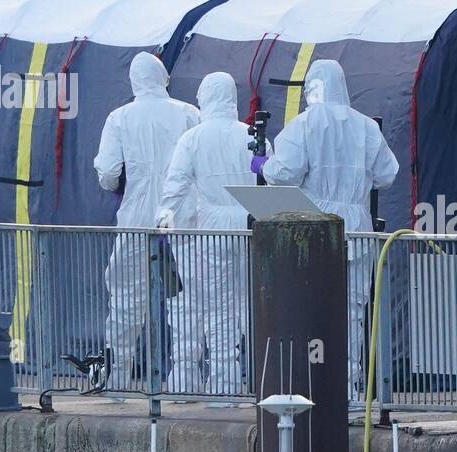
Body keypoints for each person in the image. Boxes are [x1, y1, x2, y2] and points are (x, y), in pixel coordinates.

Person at [261, 59, 399, 395]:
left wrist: (264, 165)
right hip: (357, 227)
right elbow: (388, 174)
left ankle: (315, 384)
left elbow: (285, 173)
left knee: (311, 309)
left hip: (314, 226)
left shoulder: (304, 124)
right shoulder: (367, 126)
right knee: (351, 312)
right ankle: (348, 389)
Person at [93, 52, 197, 391]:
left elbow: (108, 172)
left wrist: (116, 185)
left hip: (136, 215)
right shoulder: (187, 113)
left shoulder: (119, 118)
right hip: (180, 215)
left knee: (125, 297)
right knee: (185, 296)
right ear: (163, 78)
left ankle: (118, 381)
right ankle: (185, 381)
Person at [157, 72, 256, 400]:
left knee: (218, 309)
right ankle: (253, 381)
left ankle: (223, 387)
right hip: (249, 227)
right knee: (248, 305)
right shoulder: (252, 135)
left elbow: (175, 188)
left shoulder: (193, 139)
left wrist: (162, 226)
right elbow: (269, 179)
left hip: (212, 229)